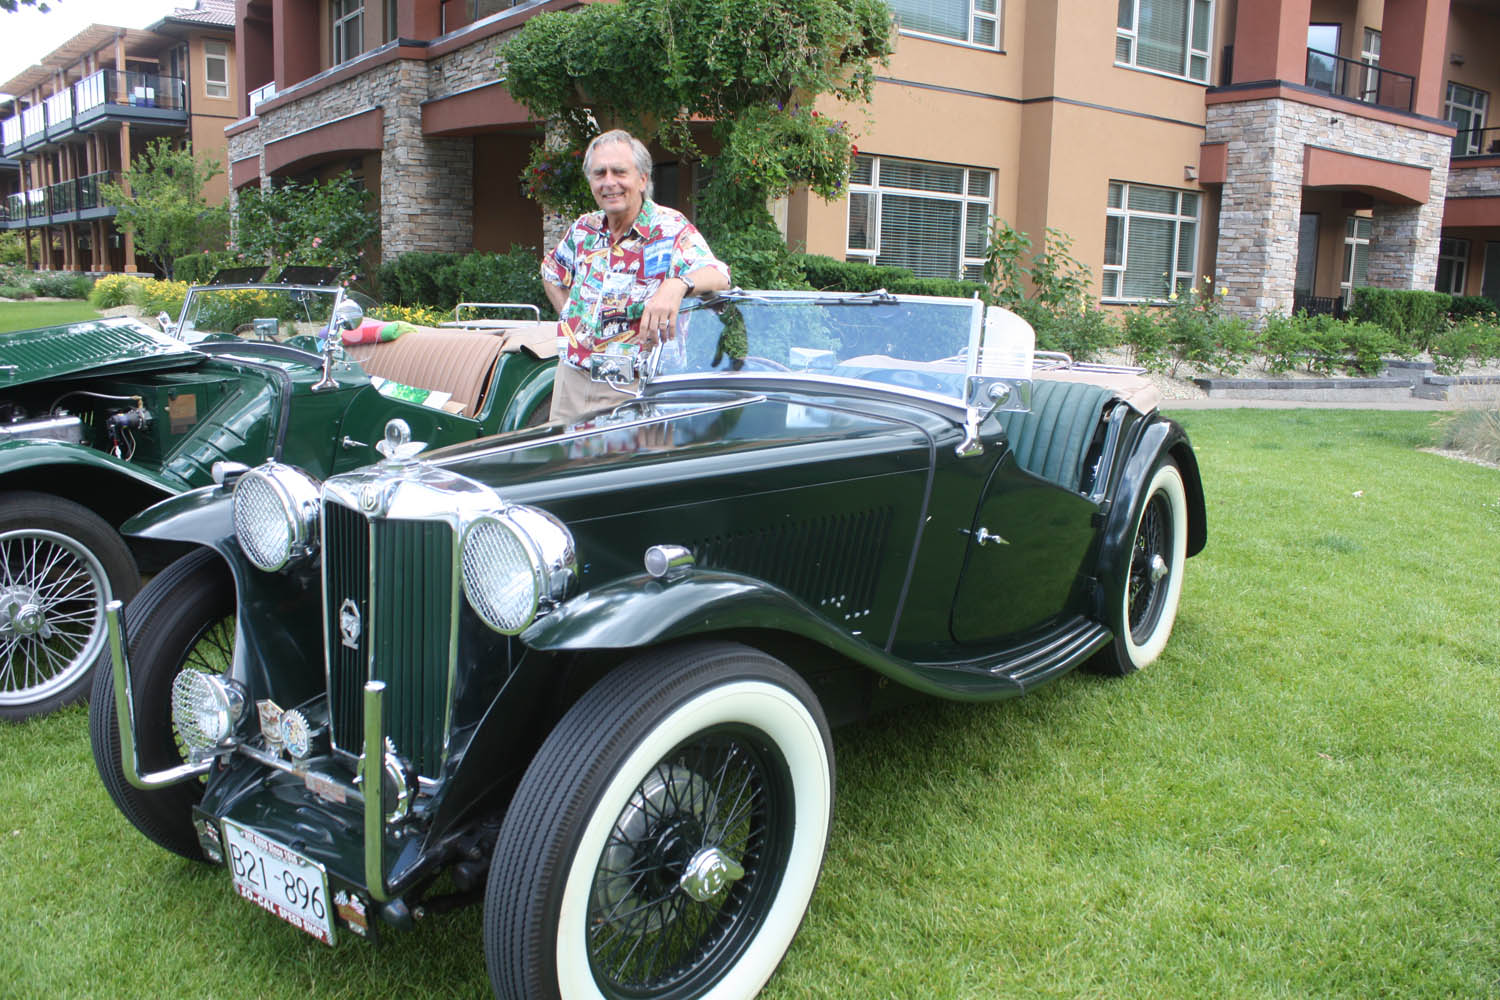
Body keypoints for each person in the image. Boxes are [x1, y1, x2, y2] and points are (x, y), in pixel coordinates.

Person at [541, 129, 731, 423]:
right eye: (599, 173)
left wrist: (676, 284)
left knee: (629, 470)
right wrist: (571, 316)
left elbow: (719, 275)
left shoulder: (669, 229)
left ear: (642, 179)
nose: (609, 182)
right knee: (564, 468)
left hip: (635, 389)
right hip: (572, 384)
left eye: (619, 172)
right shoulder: (584, 229)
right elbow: (552, 271)